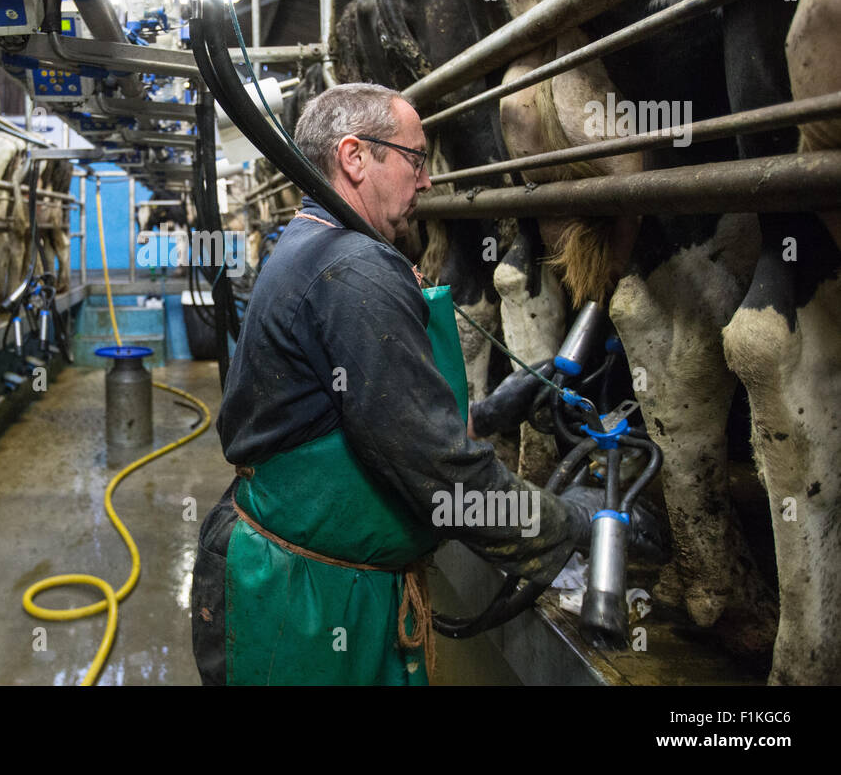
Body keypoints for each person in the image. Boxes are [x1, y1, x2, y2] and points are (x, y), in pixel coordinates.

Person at [190, 82, 663, 686]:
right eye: (415, 159)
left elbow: (348, 417)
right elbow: (443, 478)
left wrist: (492, 412)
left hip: (302, 570)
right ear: (356, 158)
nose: (428, 180)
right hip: (305, 599)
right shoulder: (355, 270)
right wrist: (570, 522)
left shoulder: (314, 244)